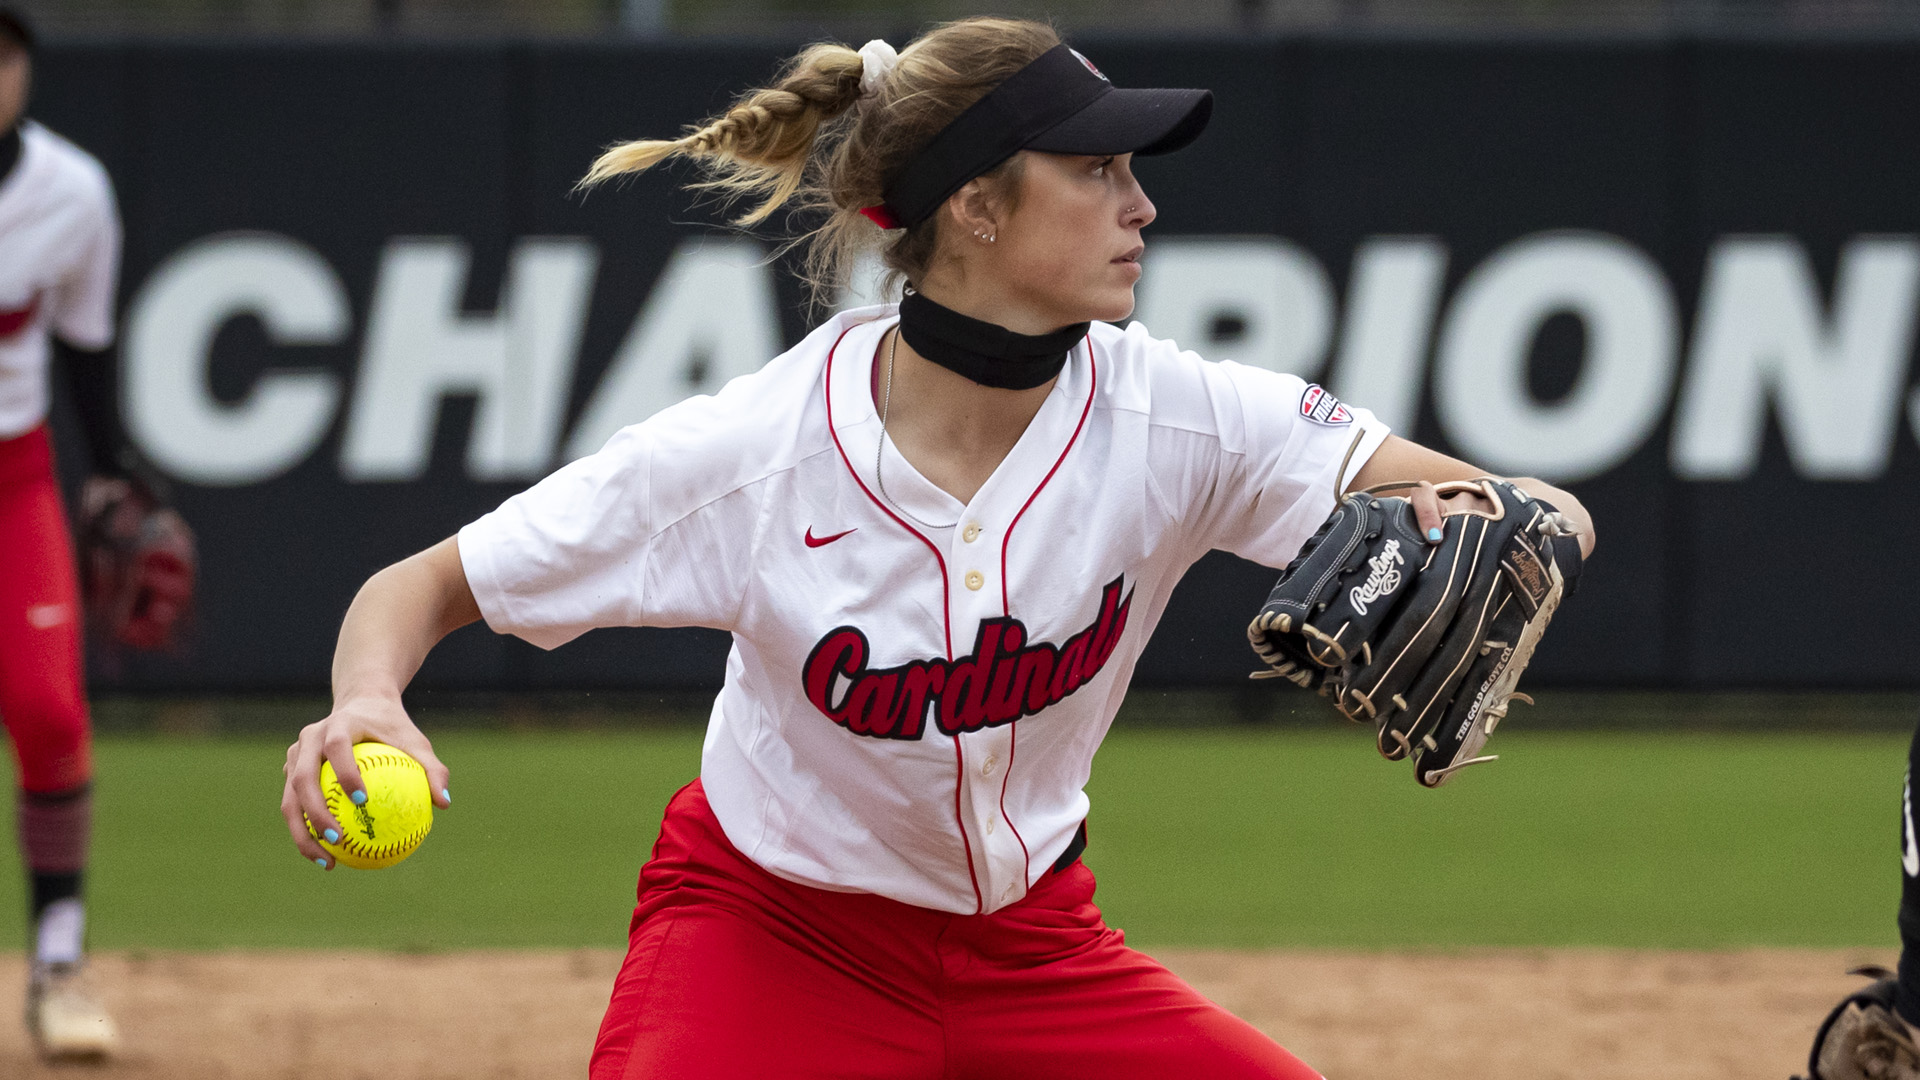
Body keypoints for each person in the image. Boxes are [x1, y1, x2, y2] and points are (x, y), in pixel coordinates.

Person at [281, 18, 1597, 1079]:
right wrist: (363, 702)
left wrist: (1530, 519)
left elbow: (1499, 500)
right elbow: (422, 587)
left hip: (1042, 954)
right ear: (976, 207)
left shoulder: (1175, 414)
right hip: (772, 934)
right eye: (1098, 170)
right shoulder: (754, 453)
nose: (1140, 205)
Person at [0, 3, 128, 1061]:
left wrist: (121, 475)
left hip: (16, 479)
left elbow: (86, 356)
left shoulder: (71, 192)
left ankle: (58, 962)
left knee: (47, 710)